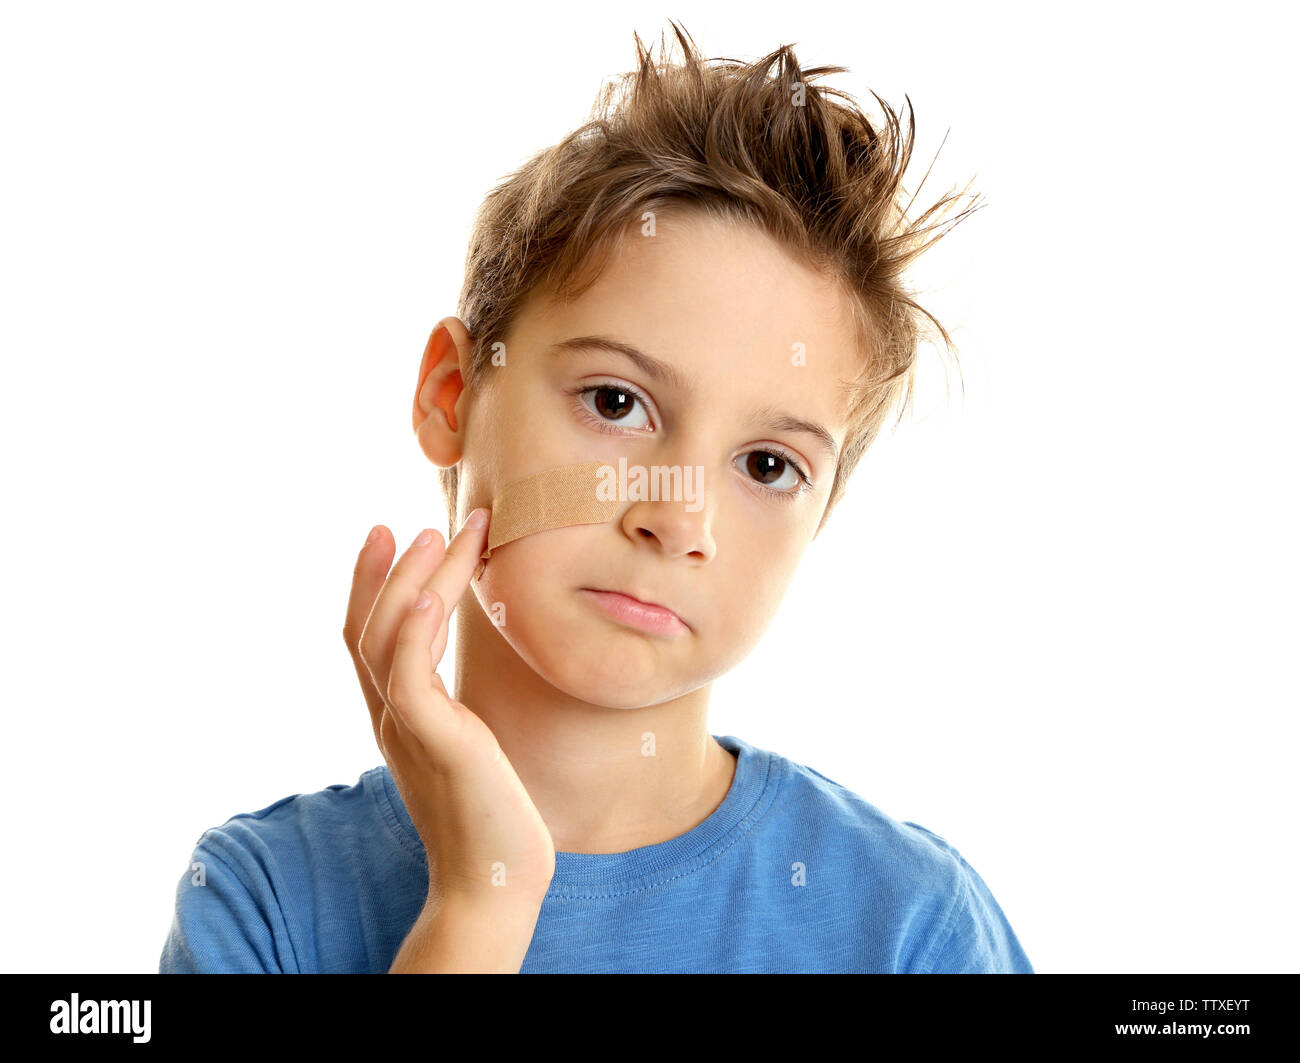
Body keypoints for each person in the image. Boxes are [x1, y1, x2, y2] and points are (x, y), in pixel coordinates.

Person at [159, 21, 1032, 974]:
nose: (679, 518)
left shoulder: (911, 926)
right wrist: (479, 900)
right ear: (452, 394)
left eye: (768, 465)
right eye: (617, 403)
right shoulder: (267, 902)